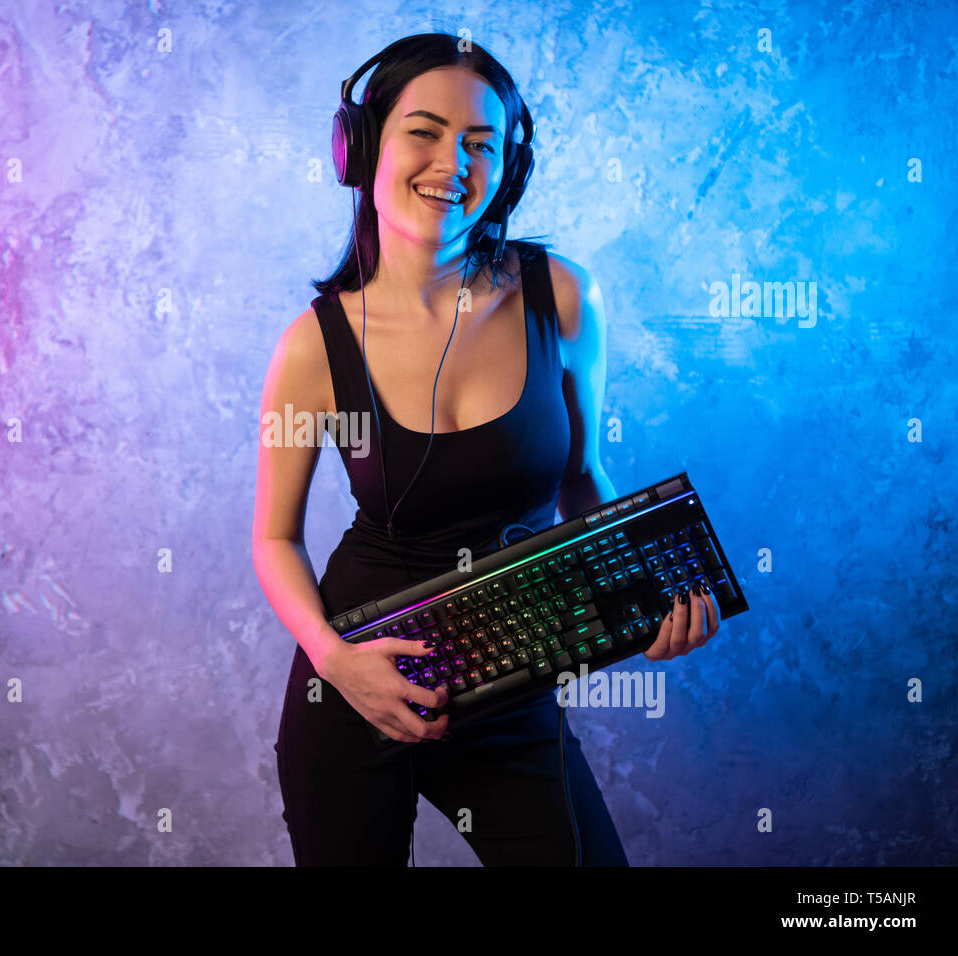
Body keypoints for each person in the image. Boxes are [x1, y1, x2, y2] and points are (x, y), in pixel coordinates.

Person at [251, 34, 719, 867]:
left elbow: (581, 479)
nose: (452, 163)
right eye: (424, 132)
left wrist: (644, 589)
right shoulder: (312, 347)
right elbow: (274, 539)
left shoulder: (563, 296)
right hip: (360, 677)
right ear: (363, 149)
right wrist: (336, 661)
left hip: (513, 664)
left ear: (510, 166)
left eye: (481, 144)